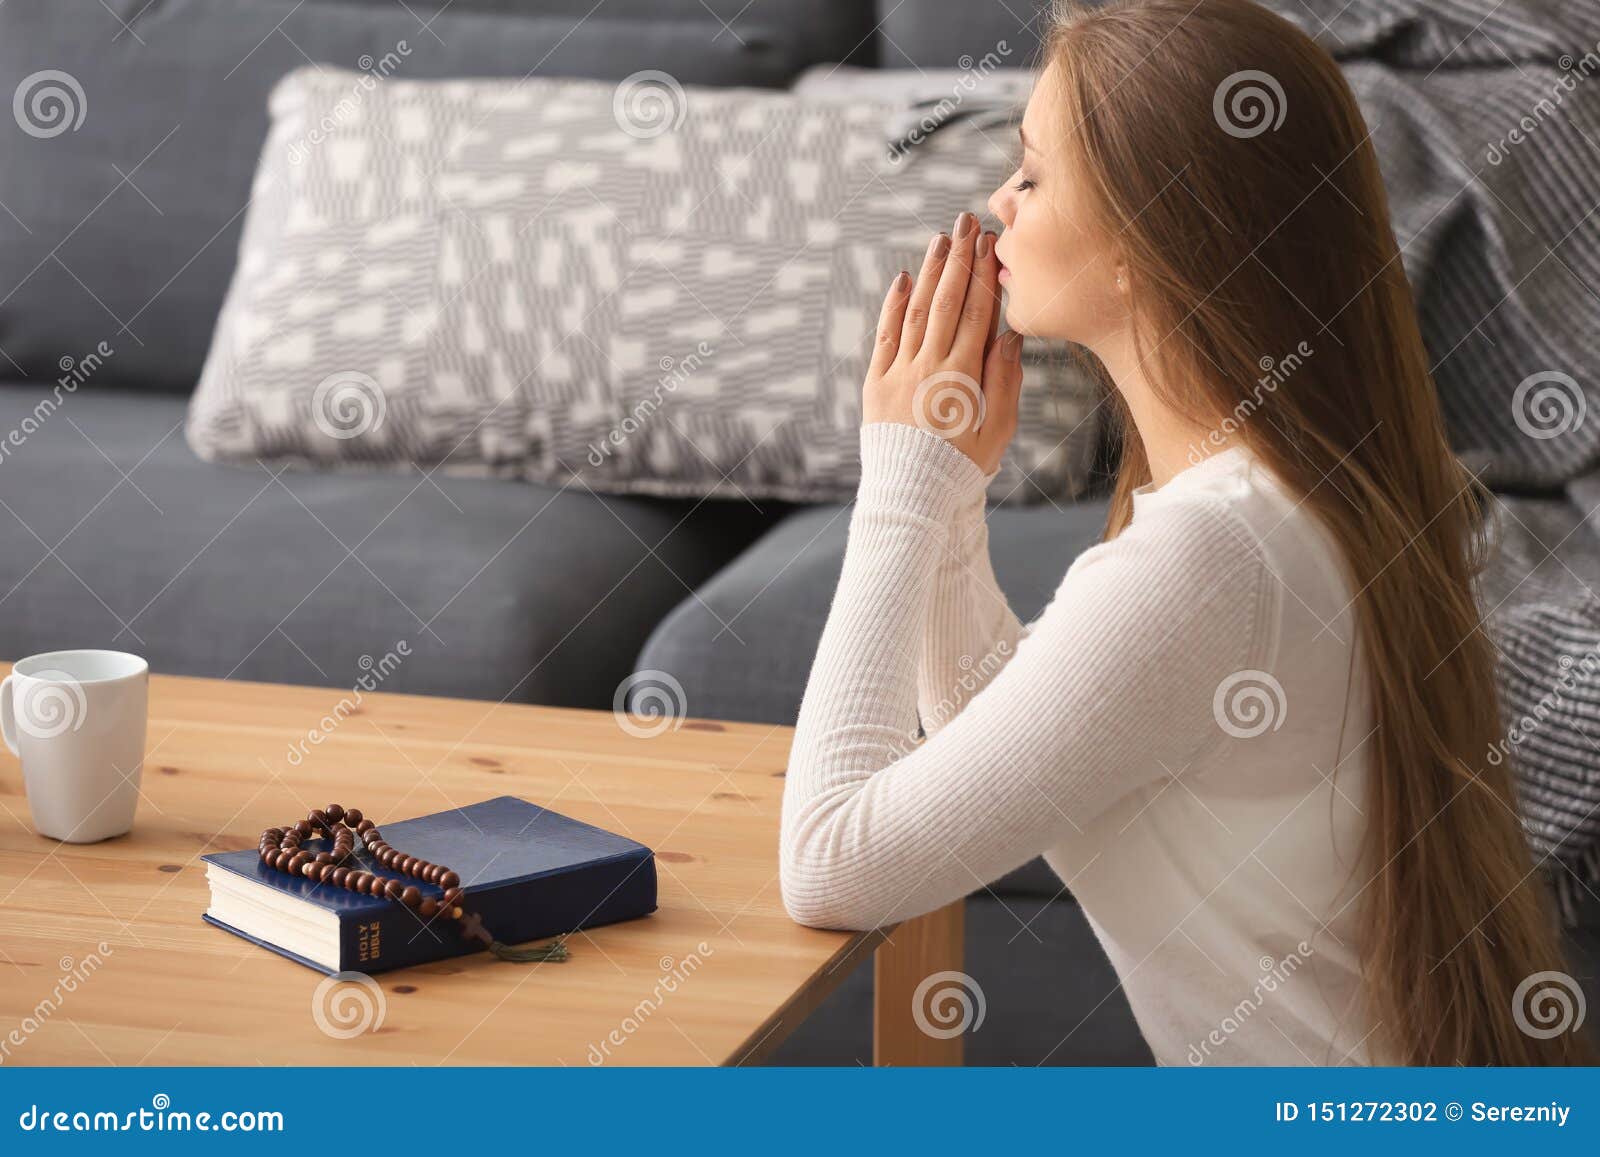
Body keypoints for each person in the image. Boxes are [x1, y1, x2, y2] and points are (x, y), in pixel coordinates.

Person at [779, 0, 1594, 1066]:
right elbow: (1037, 746)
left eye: (1030, 174)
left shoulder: (1206, 561)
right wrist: (951, 490)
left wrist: (896, 482)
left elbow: (831, 866)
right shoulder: (1284, 499)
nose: (997, 203)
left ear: (1144, 241)